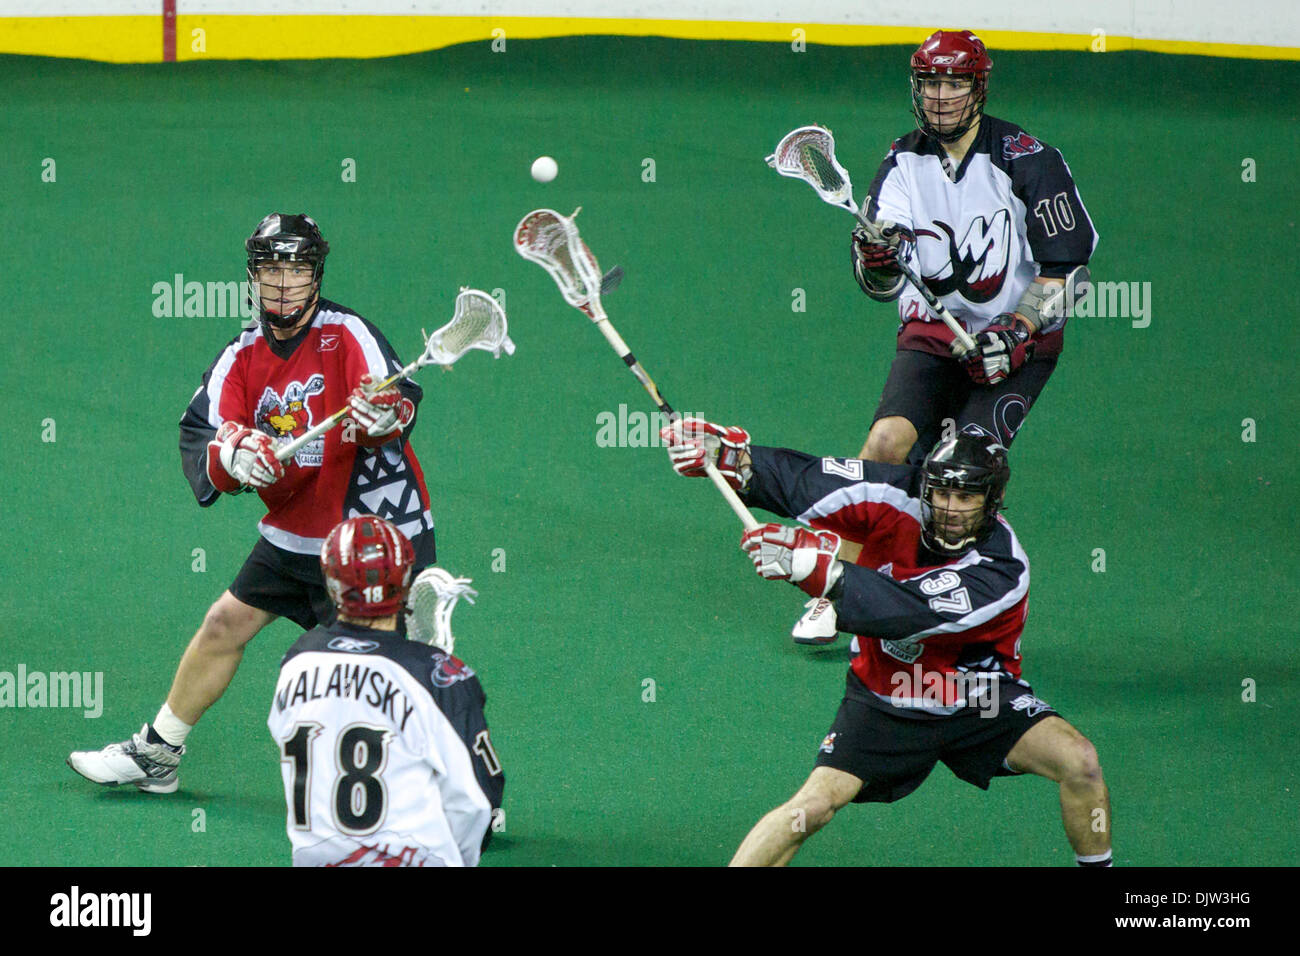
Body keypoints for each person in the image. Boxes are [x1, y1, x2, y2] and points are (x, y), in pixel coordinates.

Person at [68, 213, 437, 793]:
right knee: (224, 624)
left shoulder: (348, 334)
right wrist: (235, 458)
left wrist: (383, 415)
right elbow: (203, 432)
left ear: (316, 275)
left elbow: (398, 400)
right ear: (253, 277)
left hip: (370, 534)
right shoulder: (241, 354)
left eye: (296, 269)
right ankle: (159, 754)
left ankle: (459, 787)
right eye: (272, 269)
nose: (284, 283)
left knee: (387, 675)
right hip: (295, 531)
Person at [661, 419, 1113, 867]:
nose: (950, 508)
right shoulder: (894, 492)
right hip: (885, 696)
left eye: (966, 497)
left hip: (978, 697)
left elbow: (907, 612)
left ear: (991, 502)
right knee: (810, 810)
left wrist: (818, 570)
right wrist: (736, 462)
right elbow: (809, 481)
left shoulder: (1002, 569)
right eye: (941, 493)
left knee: (1080, 761)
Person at [796, 28, 1097, 644]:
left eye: (954, 81)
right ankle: (841, 590)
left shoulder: (1028, 158)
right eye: (931, 81)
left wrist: (1017, 330)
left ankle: (940, 604)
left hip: (1020, 345)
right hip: (935, 334)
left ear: (978, 87)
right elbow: (880, 281)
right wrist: (879, 260)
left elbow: (1071, 270)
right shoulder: (902, 161)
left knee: (962, 476)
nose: (941, 95)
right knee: (885, 444)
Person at [268, 515, 502, 867]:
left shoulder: (296, 660)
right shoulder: (440, 677)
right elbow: (477, 802)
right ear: (406, 581)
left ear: (331, 585)